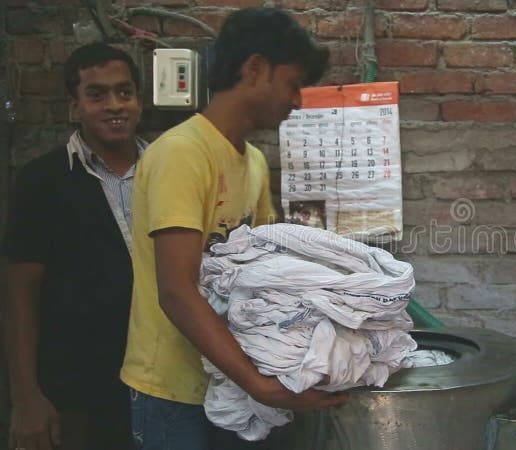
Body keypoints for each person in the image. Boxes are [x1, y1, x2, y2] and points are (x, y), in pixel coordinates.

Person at [119, 7, 348, 450]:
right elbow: (176, 291)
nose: (298, 101)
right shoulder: (182, 154)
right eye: (294, 84)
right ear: (255, 68)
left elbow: (267, 272)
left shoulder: (254, 162)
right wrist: (259, 383)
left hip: (232, 383)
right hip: (173, 390)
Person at [3, 43, 145, 450]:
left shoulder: (168, 169)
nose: (115, 105)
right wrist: (26, 396)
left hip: (162, 383)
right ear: (74, 106)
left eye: (125, 91)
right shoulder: (42, 181)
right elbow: (19, 294)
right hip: (77, 390)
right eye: (97, 94)